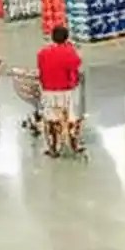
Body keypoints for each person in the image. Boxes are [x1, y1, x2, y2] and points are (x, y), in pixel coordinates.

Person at [36, 25, 84, 156]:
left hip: (48, 89)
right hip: (67, 89)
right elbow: (77, 63)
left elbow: (40, 67)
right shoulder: (69, 52)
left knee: (51, 118)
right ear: (67, 37)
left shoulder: (43, 53)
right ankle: (74, 145)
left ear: (52, 37)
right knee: (71, 117)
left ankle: (53, 147)